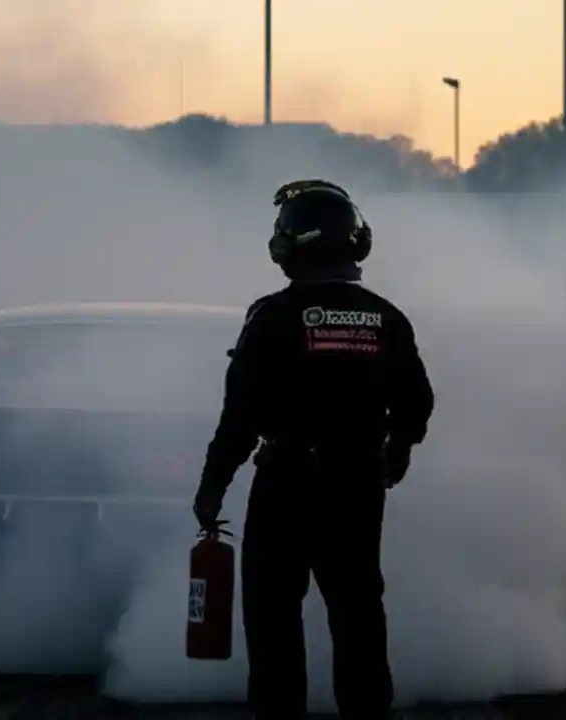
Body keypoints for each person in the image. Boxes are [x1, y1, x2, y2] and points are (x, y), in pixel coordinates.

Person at [193, 179, 435, 719]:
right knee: (358, 615)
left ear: (286, 248)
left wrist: (213, 485)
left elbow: (240, 416)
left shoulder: (272, 317)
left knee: (273, 616)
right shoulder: (385, 317)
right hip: (357, 486)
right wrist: (397, 452)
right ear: (357, 243)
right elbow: (417, 401)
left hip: (286, 485)